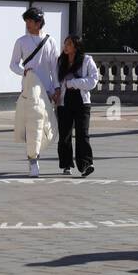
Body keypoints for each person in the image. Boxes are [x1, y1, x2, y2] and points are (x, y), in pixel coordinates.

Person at [10, 6, 59, 177]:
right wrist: (22, 71)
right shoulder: (21, 41)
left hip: (46, 89)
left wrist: (56, 87)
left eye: (30, 21)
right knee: (33, 125)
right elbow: (13, 64)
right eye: (26, 21)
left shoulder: (50, 41)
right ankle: (33, 161)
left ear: (39, 23)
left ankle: (36, 155)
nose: (28, 24)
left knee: (46, 125)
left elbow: (54, 67)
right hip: (30, 89)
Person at [53, 36, 99, 176]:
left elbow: (93, 81)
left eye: (69, 44)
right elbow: (56, 80)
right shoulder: (61, 61)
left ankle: (86, 165)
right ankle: (66, 164)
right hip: (64, 102)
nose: (65, 46)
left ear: (76, 46)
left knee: (82, 134)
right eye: (65, 44)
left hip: (82, 102)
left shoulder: (87, 60)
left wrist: (73, 83)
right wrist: (56, 91)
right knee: (64, 135)